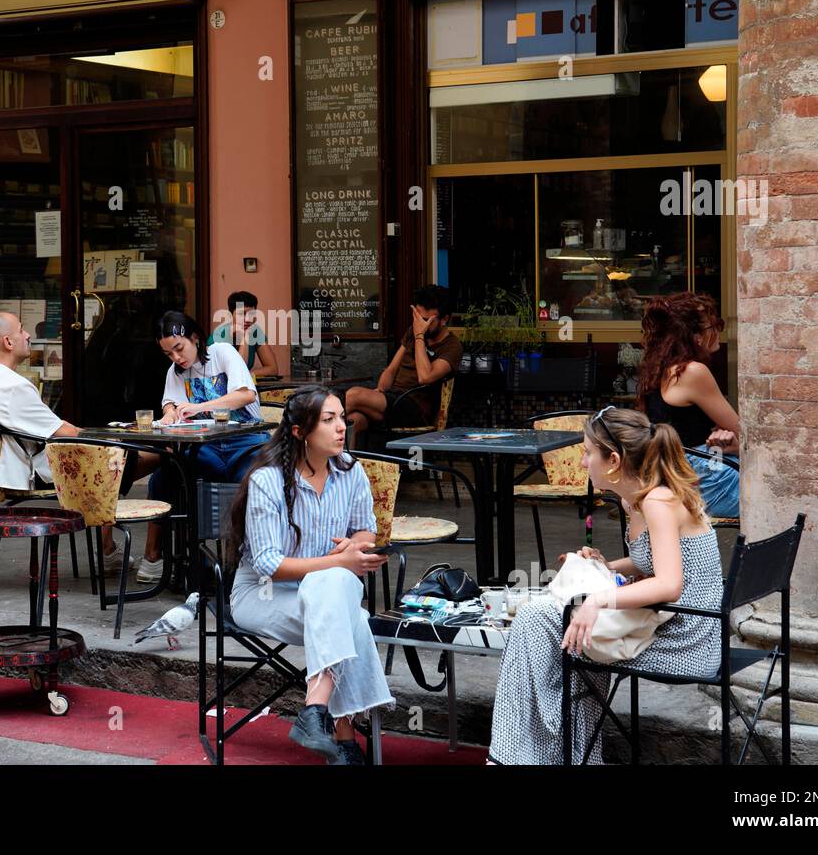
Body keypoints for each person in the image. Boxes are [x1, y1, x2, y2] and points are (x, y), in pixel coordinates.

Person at [488, 406, 722, 764]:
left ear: (613, 460)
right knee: (547, 619)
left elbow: (670, 585)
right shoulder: (638, 499)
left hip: (685, 642)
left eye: (587, 452)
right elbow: (657, 560)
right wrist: (605, 565)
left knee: (539, 619)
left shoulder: (658, 501)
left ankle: (533, 754)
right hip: (663, 625)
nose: (582, 463)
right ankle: (561, 752)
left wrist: (597, 600)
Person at [228, 385, 393, 764]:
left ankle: (314, 710)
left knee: (333, 591)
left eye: (342, 418)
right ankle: (344, 737)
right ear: (301, 432)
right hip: (263, 593)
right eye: (329, 420)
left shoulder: (350, 470)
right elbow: (269, 564)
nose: (342, 427)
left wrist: (356, 548)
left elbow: (366, 529)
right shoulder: (267, 481)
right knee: (345, 609)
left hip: (324, 592)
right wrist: (341, 561)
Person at [0, 311, 155, 575]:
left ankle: (108, 549)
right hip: (29, 471)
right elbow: (65, 432)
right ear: (8, 342)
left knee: (108, 456)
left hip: (10, 468)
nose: (28, 335)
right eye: (22, 330)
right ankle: (145, 556)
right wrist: (111, 436)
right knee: (142, 456)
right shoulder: (13, 387)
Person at [141, 311, 269, 584]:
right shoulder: (175, 372)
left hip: (244, 443)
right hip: (207, 448)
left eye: (179, 348)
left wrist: (199, 407)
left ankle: (250, 562)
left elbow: (246, 394)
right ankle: (159, 558)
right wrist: (169, 413)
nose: (176, 357)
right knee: (165, 478)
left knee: (251, 483)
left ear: (195, 338)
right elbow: (170, 403)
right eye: (168, 354)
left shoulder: (222, 352)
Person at [636, 292, 740, 518]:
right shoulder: (693, 372)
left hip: (675, 474)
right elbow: (746, 436)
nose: (718, 332)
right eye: (714, 325)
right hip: (705, 480)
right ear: (696, 337)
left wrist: (725, 445)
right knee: (782, 492)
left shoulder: (659, 370)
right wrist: (736, 445)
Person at [344, 284, 462, 439]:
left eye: (426, 320)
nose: (420, 324)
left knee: (354, 394)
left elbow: (425, 377)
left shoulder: (452, 346)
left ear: (444, 320)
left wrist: (419, 335)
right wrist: (380, 390)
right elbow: (392, 369)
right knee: (353, 420)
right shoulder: (411, 332)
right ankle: (344, 463)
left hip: (416, 409)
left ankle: (308, 432)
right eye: (417, 318)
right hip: (393, 399)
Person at [208, 291, 277, 378]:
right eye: (242, 314)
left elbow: (272, 369)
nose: (247, 319)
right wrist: (245, 338)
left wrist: (250, 374)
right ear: (230, 315)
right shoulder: (219, 336)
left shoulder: (254, 331)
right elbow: (238, 372)